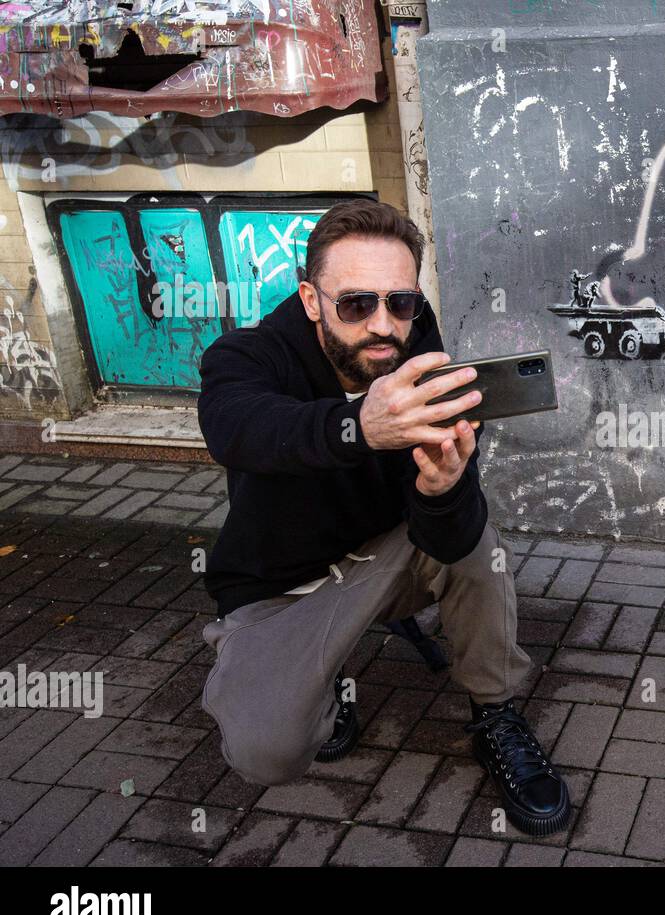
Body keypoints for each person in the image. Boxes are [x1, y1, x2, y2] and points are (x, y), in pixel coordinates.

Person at [196, 199, 570, 836]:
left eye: (401, 303)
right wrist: (359, 427)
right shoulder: (250, 355)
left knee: (479, 539)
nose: (382, 325)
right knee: (267, 752)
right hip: (283, 588)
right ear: (312, 301)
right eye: (355, 304)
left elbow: (447, 539)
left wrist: (443, 488)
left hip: (385, 563)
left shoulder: (417, 358)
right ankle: (321, 686)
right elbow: (238, 429)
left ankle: (495, 711)